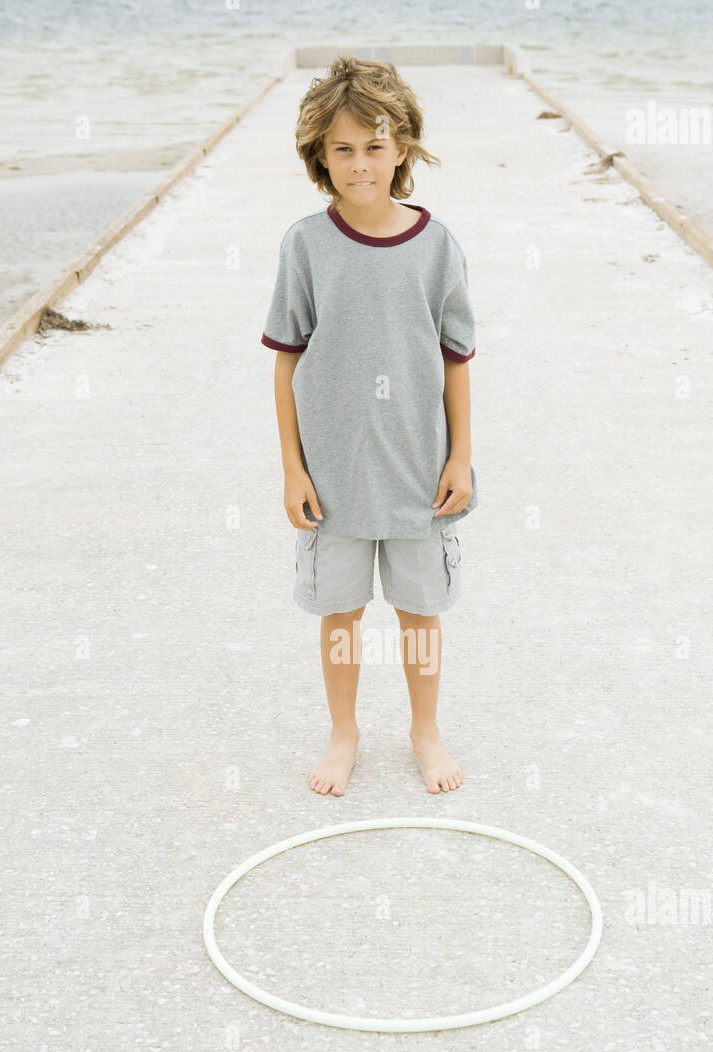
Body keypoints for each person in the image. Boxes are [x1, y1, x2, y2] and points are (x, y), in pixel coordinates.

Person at [261, 53, 477, 796]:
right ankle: (343, 732)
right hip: (335, 475)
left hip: (420, 471)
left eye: (375, 146)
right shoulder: (305, 245)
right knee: (340, 611)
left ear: (404, 147)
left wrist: (461, 460)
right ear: (320, 156)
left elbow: (455, 360)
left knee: (419, 609)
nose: (359, 164)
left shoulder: (437, 245)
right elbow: (287, 362)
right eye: (342, 149)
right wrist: (292, 469)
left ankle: (425, 730)